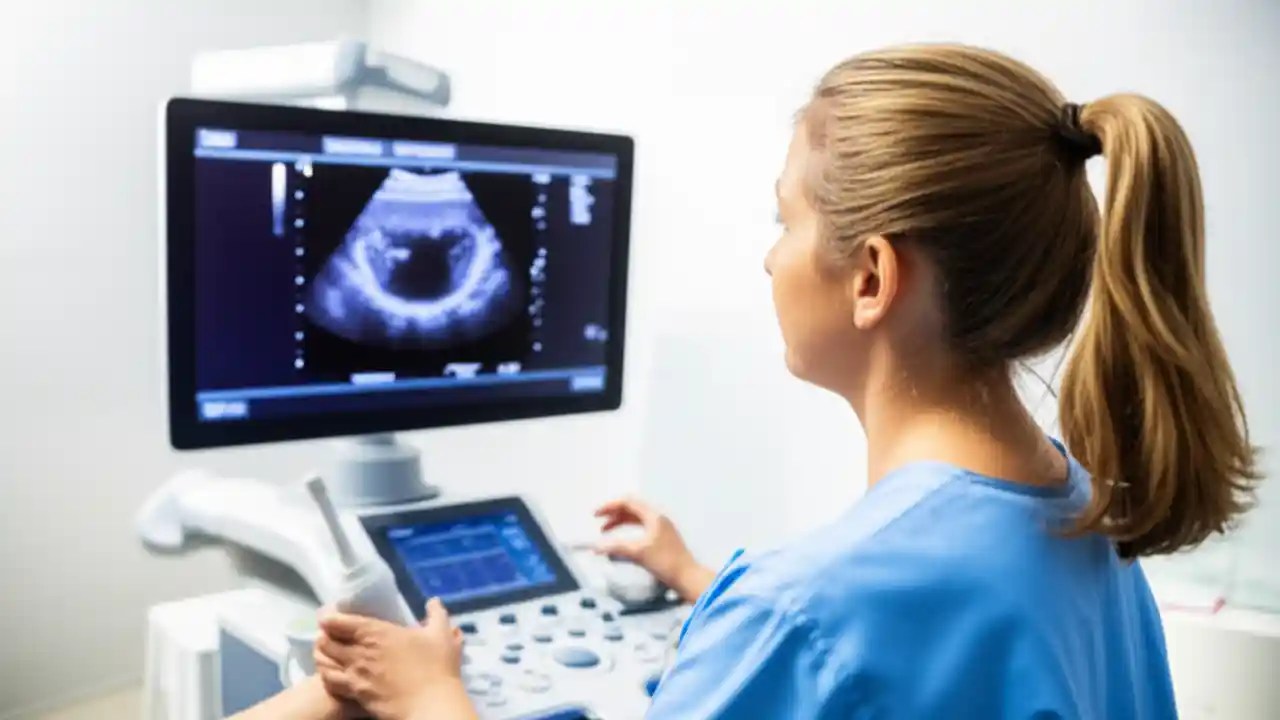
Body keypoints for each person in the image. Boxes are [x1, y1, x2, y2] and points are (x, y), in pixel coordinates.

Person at [238, 42, 1259, 719]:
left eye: (784, 221)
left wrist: (431, 701)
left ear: (869, 278)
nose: (769, 258)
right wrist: (702, 583)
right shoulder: (1082, 513)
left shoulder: (799, 613)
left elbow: (832, 633)